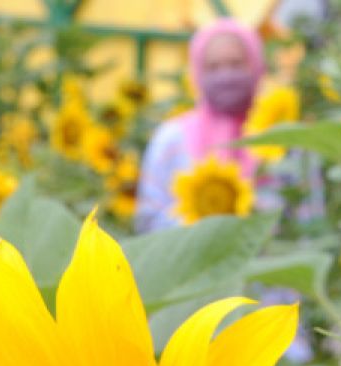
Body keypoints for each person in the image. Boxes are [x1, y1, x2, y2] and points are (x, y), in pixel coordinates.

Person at [135, 17, 323, 233]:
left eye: (236, 64)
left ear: (256, 66)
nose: (225, 76)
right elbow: (148, 221)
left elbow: (311, 223)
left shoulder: (285, 137)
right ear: (196, 73)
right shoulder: (170, 139)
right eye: (213, 67)